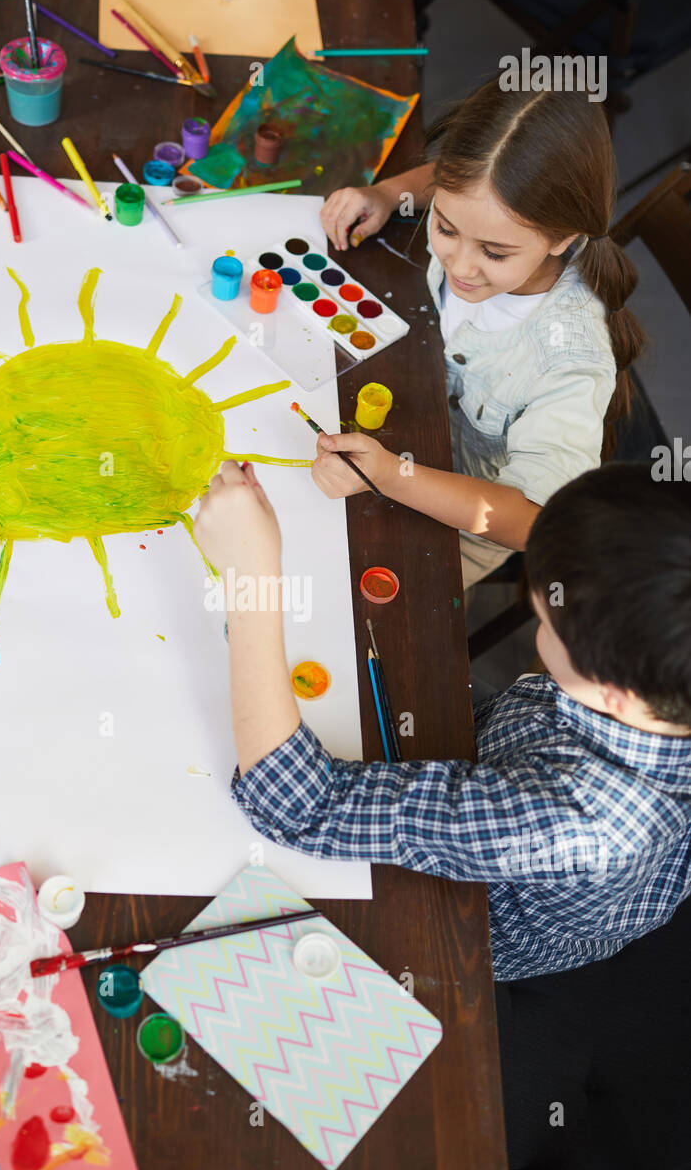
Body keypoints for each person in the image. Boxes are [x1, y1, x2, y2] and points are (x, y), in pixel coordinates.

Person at [192, 461, 691, 981]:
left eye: (544, 620)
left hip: (456, 916)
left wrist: (251, 580)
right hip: (475, 761)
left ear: (610, 693)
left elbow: (296, 804)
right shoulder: (650, 671)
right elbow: (520, 521)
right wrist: (388, 473)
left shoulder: (576, 820)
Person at [315, 79, 644, 588]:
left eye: (494, 252)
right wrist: (384, 194)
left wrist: (390, 475)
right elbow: (457, 180)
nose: (461, 266)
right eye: (445, 228)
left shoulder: (570, 360)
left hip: (455, 525)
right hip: (409, 418)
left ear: (564, 239)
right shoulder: (478, 204)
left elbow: (531, 521)